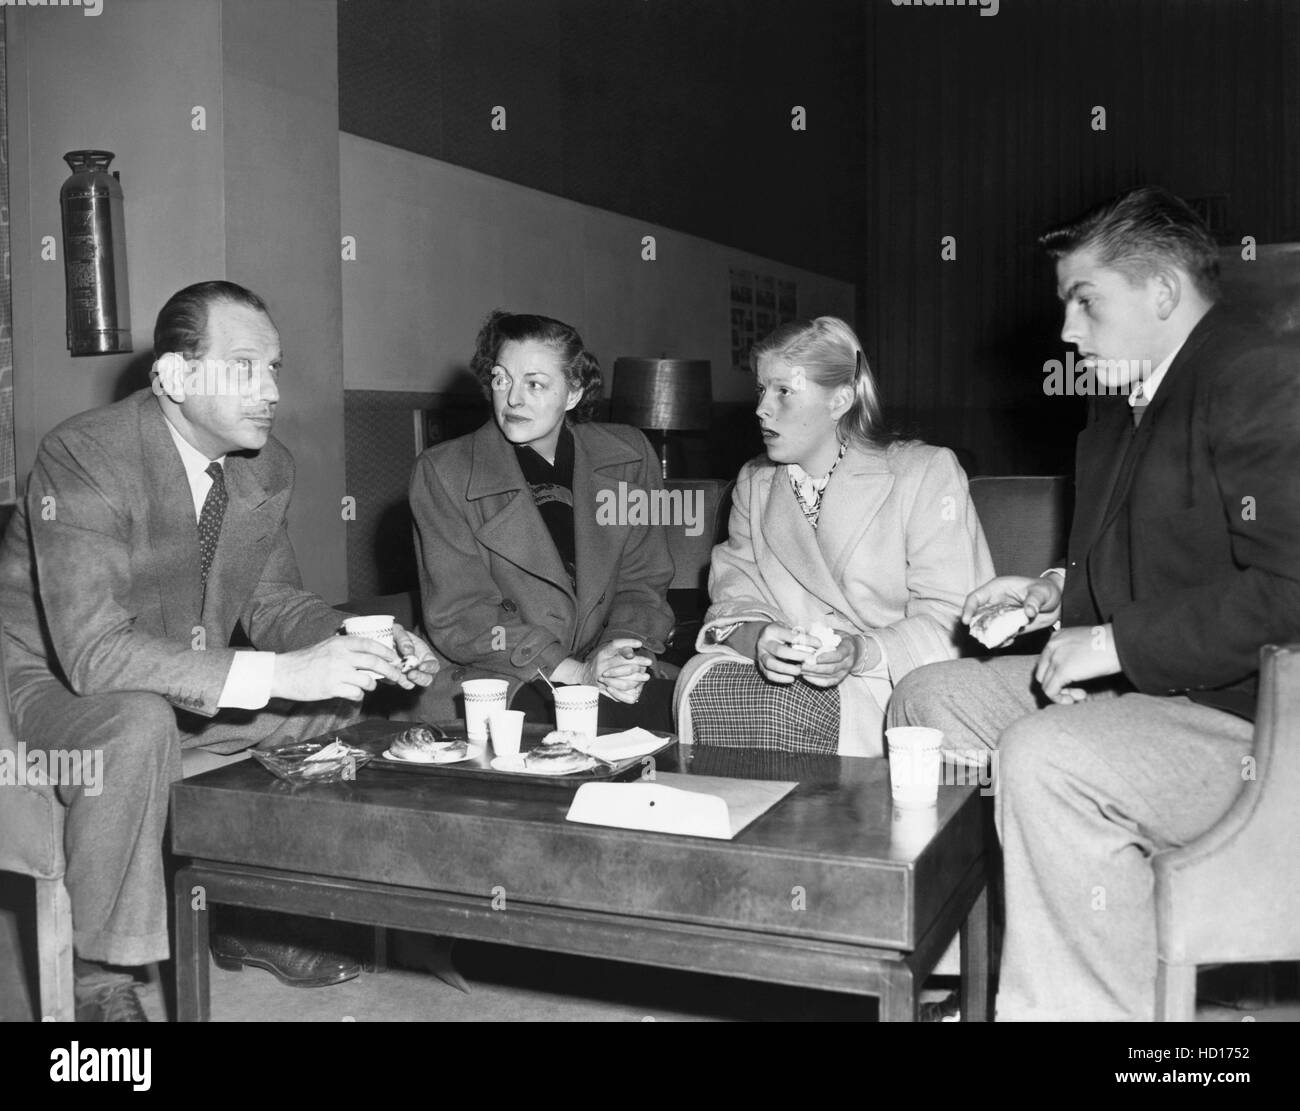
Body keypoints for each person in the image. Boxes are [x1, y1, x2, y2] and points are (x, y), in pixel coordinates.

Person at [888, 186, 1300, 1020]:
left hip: (1258, 725)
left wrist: (1110, 645)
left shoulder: (1260, 376)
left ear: (1162, 292)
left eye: (1085, 302)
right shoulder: (1122, 407)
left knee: (1049, 756)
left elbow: (1288, 592)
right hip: (1157, 688)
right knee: (926, 698)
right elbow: (1157, 563)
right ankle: (961, 967)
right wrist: (1050, 593)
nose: (1067, 331)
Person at [0, 281, 438, 1020]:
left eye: (274, 368)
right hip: (50, 689)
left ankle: (254, 918)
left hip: (174, 676)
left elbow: (272, 602)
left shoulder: (264, 466)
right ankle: (103, 974)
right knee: (136, 723)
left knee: (337, 701)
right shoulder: (85, 456)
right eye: (244, 366)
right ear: (174, 376)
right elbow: (95, 657)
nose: (269, 390)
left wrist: (359, 642)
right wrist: (283, 672)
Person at [674, 316, 994, 756]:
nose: (762, 408)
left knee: (796, 710)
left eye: (784, 391)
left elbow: (957, 618)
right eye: (761, 390)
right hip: (786, 683)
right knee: (710, 680)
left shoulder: (924, 472)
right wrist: (760, 637)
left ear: (840, 399)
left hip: (891, 683)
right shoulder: (756, 481)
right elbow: (735, 589)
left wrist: (860, 651)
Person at [408, 311, 676, 730]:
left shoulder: (631, 457)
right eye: (501, 379)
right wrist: (572, 672)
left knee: (683, 719)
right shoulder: (443, 472)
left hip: (601, 662)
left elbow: (643, 581)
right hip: (497, 677)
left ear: (572, 393)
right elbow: (463, 616)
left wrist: (620, 656)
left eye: (534, 384)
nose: (512, 399)